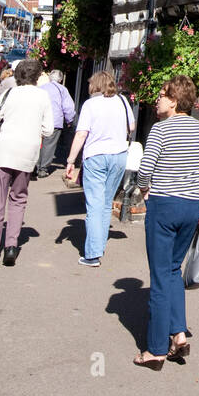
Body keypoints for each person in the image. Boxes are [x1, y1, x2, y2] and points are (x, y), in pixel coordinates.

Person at [134, 75, 199, 369]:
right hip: (192, 206)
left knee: (159, 275)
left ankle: (154, 350)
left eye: (163, 95)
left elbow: (145, 170)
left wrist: (145, 191)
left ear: (175, 101)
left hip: (165, 205)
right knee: (172, 270)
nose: (157, 99)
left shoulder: (160, 130)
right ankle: (178, 334)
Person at [0, 58, 54, 269]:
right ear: (37, 76)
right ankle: (11, 246)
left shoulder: (10, 93)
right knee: (18, 199)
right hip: (27, 154)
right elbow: (48, 130)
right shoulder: (42, 96)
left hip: (3, 151)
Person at [65, 71, 133, 267]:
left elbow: (81, 134)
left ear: (94, 85)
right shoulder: (122, 101)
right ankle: (99, 244)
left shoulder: (90, 104)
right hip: (119, 155)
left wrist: (71, 160)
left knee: (94, 203)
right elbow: (132, 126)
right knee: (105, 202)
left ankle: (93, 253)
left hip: (95, 156)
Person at [36, 69, 76, 176]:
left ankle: (34, 165)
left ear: (50, 78)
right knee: (49, 144)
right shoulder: (62, 89)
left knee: (37, 142)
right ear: (61, 79)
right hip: (55, 121)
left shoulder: (41, 88)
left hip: (39, 119)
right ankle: (43, 168)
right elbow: (68, 107)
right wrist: (69, 120)